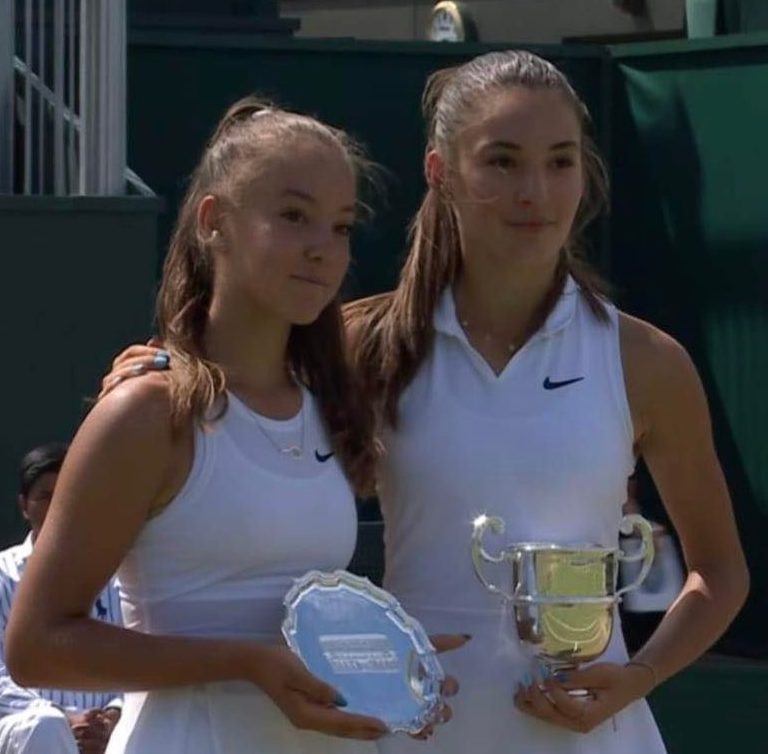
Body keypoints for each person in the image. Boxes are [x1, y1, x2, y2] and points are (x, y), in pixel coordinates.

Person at [92, 51, 750, 754]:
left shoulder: (647, 362)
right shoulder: (355, 345)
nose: (536, 190)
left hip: (598, 739)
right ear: (441, 172)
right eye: (502, 161)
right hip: (412, 735)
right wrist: (169, 362)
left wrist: (637, 674)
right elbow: (231, 388)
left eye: (560, 162)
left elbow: (721, 574)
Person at [5, 97, 459, 754]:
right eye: (294, 216)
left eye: (340, 226)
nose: (322, 249)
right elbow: (37, 647)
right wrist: (246, 663)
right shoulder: (146, 411)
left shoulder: (328, 403)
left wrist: (386, 655)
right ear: (214, 222)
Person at [0, 443, 123, 754]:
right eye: (45, 497)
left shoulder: (120, 574)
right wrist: (65, 718)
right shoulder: (2, 573)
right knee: (44, 727)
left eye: (66, 494)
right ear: (24, 506)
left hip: (107, 730)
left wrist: (111, 717)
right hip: (22, 725)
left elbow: (142, 656)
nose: (57, 506)